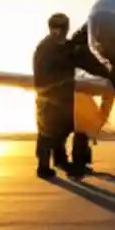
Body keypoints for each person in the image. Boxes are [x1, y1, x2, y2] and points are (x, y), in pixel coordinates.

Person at [32, 13, 91, 178]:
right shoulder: (49, 49)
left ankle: (60, 162)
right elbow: (47, 73)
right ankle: (46, 167)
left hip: (57, 98)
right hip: (52, 97)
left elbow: (76, 52)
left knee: (58, 131)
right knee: (50, 132)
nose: (60, 31)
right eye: (57, 27)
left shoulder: (59, 46)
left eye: (62, 27)